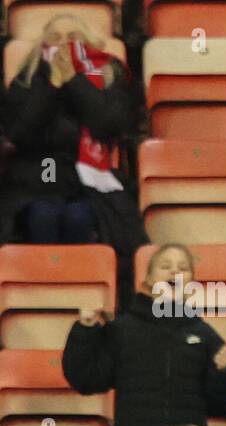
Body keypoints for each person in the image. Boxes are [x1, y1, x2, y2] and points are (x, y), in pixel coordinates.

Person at [62, 243, 226, 426]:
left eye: (183, 268)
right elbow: (86, 380)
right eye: (165, 266)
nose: (174, 272)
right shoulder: (122, 330)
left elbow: (219, 406)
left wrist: (223, 373)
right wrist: (84, 332)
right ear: (148, 278)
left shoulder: (205, 335)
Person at [0, 14, 147, 260]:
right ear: (43, 45)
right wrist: (53, 85)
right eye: (55, 38)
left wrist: (75, 81)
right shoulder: (28, 79)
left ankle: (79, 288)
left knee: (79, 216)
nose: (65, 44)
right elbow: (20, 135)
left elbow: (107, 125)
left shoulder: (110, 73)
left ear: (87, 42)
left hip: (89, 179)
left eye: (73, 37)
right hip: (39, 175)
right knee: (43, 214)